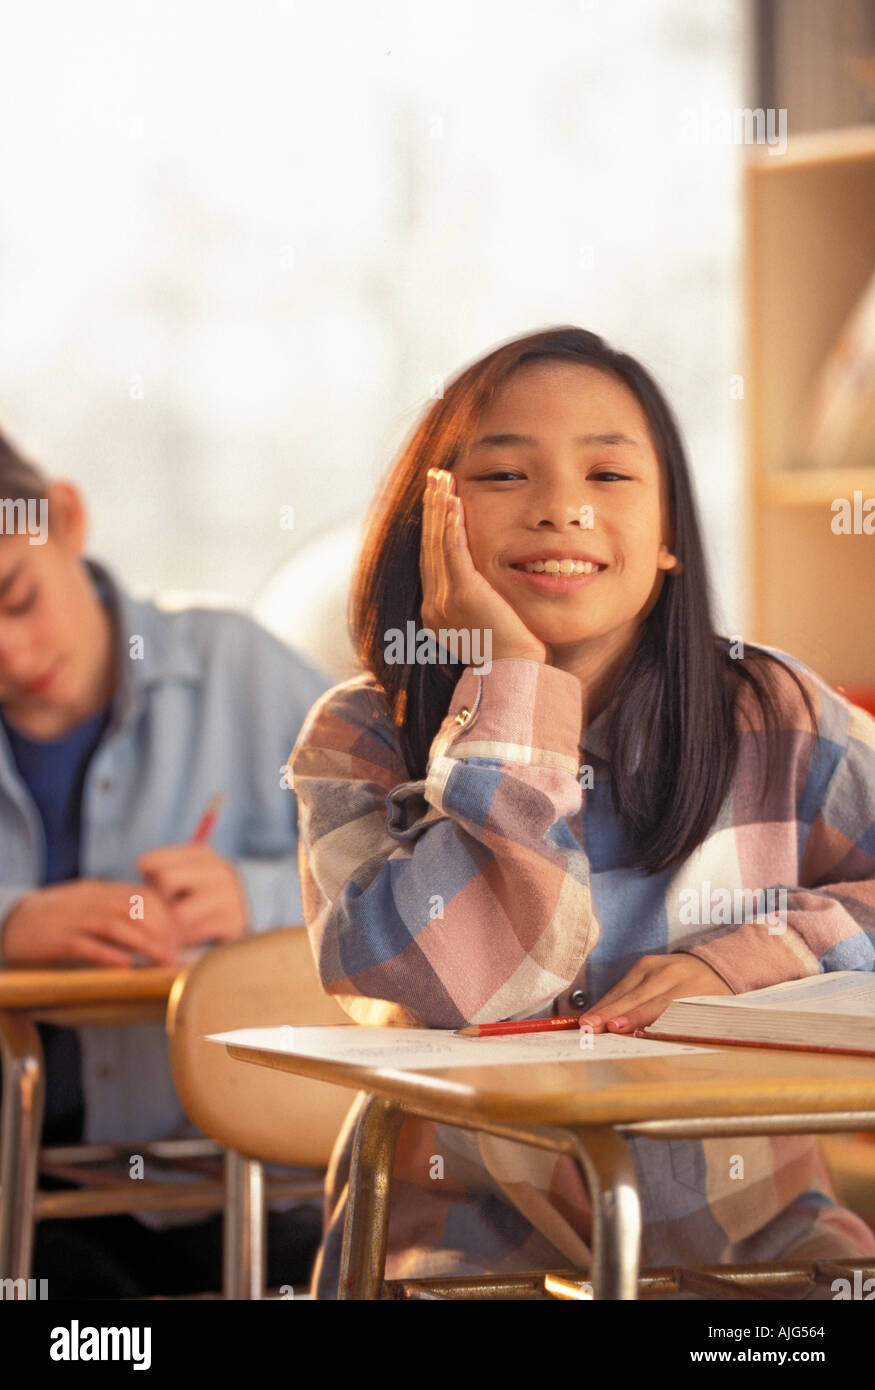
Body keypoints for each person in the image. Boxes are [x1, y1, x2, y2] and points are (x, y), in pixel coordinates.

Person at [287, 326, 875, 1301]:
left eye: (607, 475)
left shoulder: (774, 714)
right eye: (505, 474)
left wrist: (742, 960)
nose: (561, 508)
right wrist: (511, 689)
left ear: (669, 535)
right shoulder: (360, 735)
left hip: (755, 1251)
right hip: (461, 1260)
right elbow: (462, 985)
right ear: (428, 522)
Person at [0, 430, 333, 1297]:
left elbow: (415, 877)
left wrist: (256, 895)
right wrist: (11, 922)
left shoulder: (237, 668)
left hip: (241, 1180)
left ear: (65, 518)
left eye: (15, 594)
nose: (11, 656)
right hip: (27, 1197)